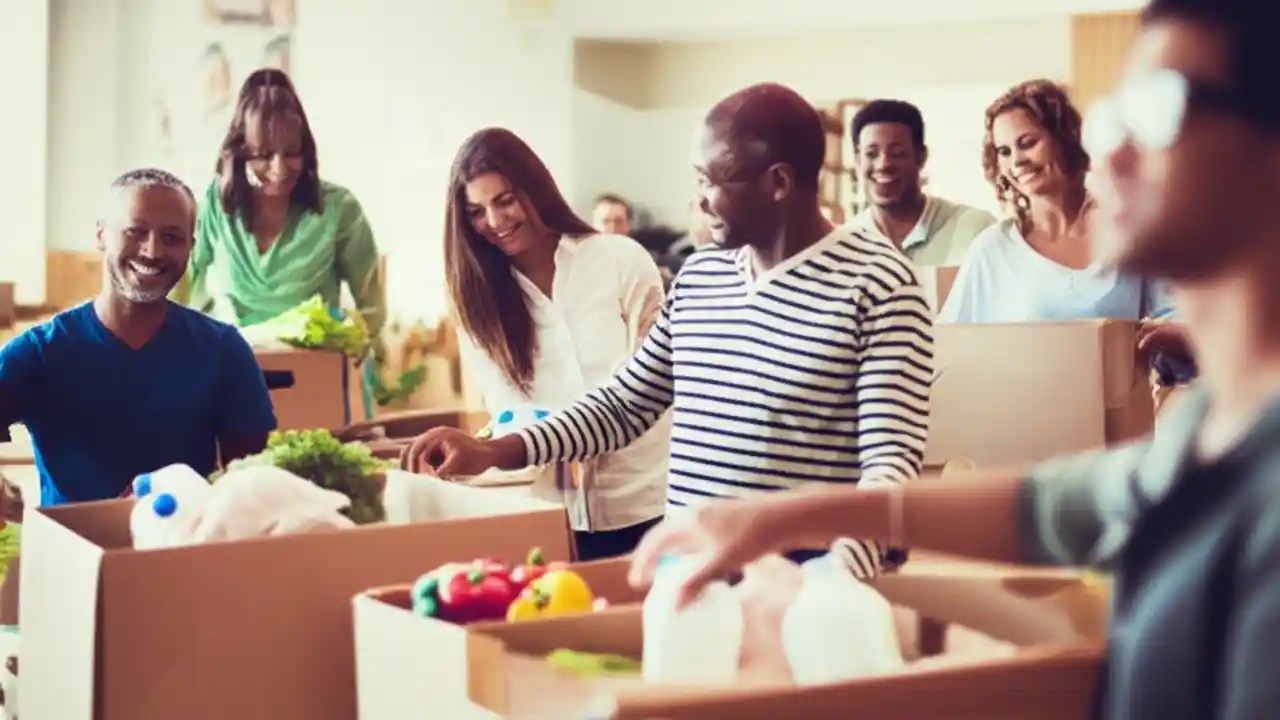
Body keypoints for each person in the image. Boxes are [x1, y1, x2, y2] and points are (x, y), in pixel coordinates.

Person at [630, 1, 1280, 716]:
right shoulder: (1214, 428)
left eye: (1162, 110)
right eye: (1116, 115)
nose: (1112, 151)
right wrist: (778, 525)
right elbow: (1051, 505)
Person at [410, 83, 934, 577]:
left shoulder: (881, 285)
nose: (699, 202)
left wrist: (832, 583)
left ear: (778, 183)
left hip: (803, 592)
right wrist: (498, 451)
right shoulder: (702, 275)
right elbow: (624, 405)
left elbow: (889, 474)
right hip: (690, 580)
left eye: (712, 181)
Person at [442, 128, 670, 560]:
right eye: (476, 211)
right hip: (553, 515)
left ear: (535, 188)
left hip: (650, 502)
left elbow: (650, 391)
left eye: (505, 200)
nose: (494, 222)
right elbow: (510, 414)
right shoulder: (477, 304)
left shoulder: (619, 260)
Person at [0, 169, 276, 507]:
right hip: (73, 552)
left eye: (172, 237)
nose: (152, 250)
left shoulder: (224, 351)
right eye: (136, 231)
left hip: (184, 551)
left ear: (191, 245)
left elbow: (249, 479)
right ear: (101, 234)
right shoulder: (38, 354)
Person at [179, 68, 386, 405]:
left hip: (316, 377)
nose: (279, 168)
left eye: (291, 152)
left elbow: (372, 308)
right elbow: (180, 285)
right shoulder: (215, 207)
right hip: (233, 374)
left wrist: (357, 354)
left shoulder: (339, 209)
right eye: (262, 155)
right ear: (239, 152)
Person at [938, 80, 1172, 324]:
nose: (1017, 161)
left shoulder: (1126, 229)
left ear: (1065, 140)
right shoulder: (991, 250)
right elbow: (949, 345)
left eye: (1028, 143)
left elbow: (1177, 321)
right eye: (1004, 151)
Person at [847, 100, 995, 266]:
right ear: (857, 161)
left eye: (897, 153)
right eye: (871, 153)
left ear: (921, 157)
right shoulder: (845, 246)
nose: (884, 164)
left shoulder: (975, 230)